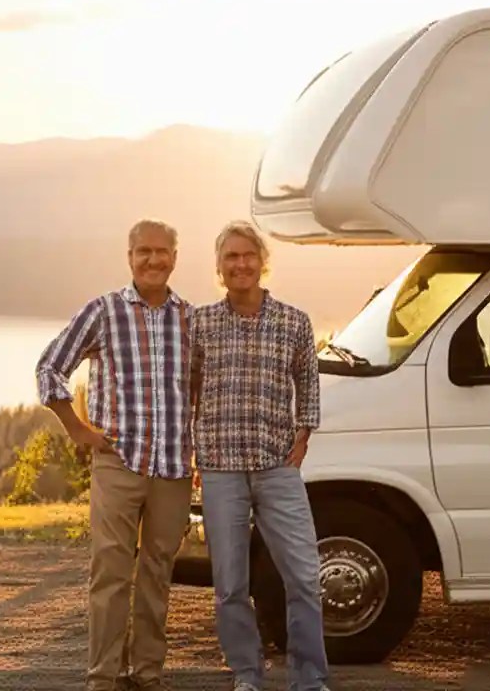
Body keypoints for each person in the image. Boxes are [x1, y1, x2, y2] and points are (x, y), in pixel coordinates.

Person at [35, 218, 194, 691]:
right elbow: (50, 367)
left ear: (174, 259)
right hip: (119, 465)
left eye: (161, 251)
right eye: (143, 251)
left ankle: (147, 674)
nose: (153, 259)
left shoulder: (190, 317)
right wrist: (77, 429)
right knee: (110, 574)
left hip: (172, 469)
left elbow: (200, 389)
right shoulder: (103, 312)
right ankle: (102, 678)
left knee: (157, 573)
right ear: (129, 258)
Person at [189, 220, 330, 691]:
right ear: (219, 267)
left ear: (262, 261)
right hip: (220, 470)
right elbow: (186, 390)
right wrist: (193, 449)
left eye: (248, 255)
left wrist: (304, 434)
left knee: (305, 578)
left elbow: (308, 380)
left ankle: (309, 679)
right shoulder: (200, 324)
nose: (241, 264)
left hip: (277, 469)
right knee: (230, 586)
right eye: (231, 257)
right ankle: (247, 674)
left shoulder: (293, 321)